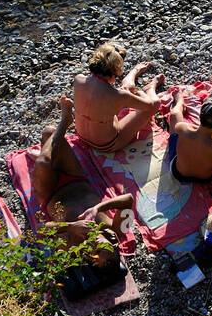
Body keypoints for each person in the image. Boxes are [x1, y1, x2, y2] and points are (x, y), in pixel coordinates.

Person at [31, 96, 135, 268]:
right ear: (113, 245)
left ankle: (64, 123)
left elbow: (40, 230)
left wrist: (71, 226)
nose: (96, 245)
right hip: (76, 178)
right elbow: (129, 199)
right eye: (103, 248)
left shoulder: (73, 246)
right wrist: (98, 208)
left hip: (50, 193)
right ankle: (47, 154)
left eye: (94, 253)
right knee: (48, 133)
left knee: (44, 159)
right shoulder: (116, 230)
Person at [72, 41, 165, 153]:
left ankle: (133, 73)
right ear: (115, 71)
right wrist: (141, 94)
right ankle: (150, 88)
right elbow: (150, 106)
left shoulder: (78, 79)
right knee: (154, 104)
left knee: (122, 94)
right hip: (108, 144)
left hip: (82, 135)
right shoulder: (117, 95)